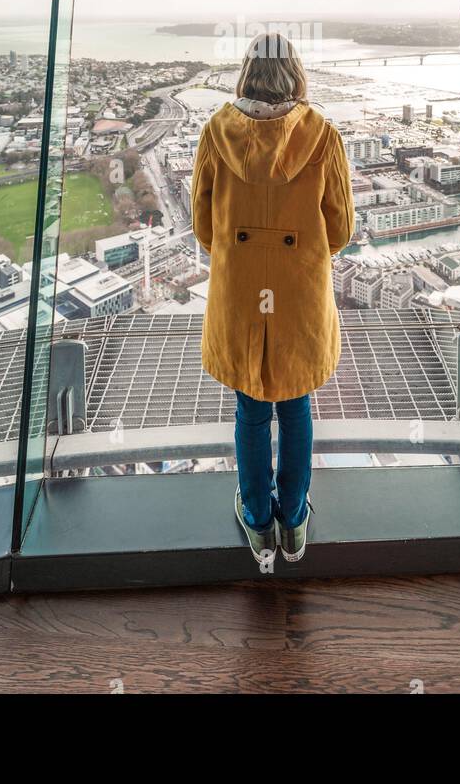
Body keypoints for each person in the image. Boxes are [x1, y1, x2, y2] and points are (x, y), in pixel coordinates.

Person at [190, 31, 354, 572]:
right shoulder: (322, 136)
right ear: (296, 73)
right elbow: (340, 229)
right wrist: (297, 257)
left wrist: (242, 259)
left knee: (252, 407)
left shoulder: (216, 132)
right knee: (297, 401)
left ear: (246, 73)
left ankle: (258, 522)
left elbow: (202, 225)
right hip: (297, 291)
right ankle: (296, 521)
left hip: (241, 292)